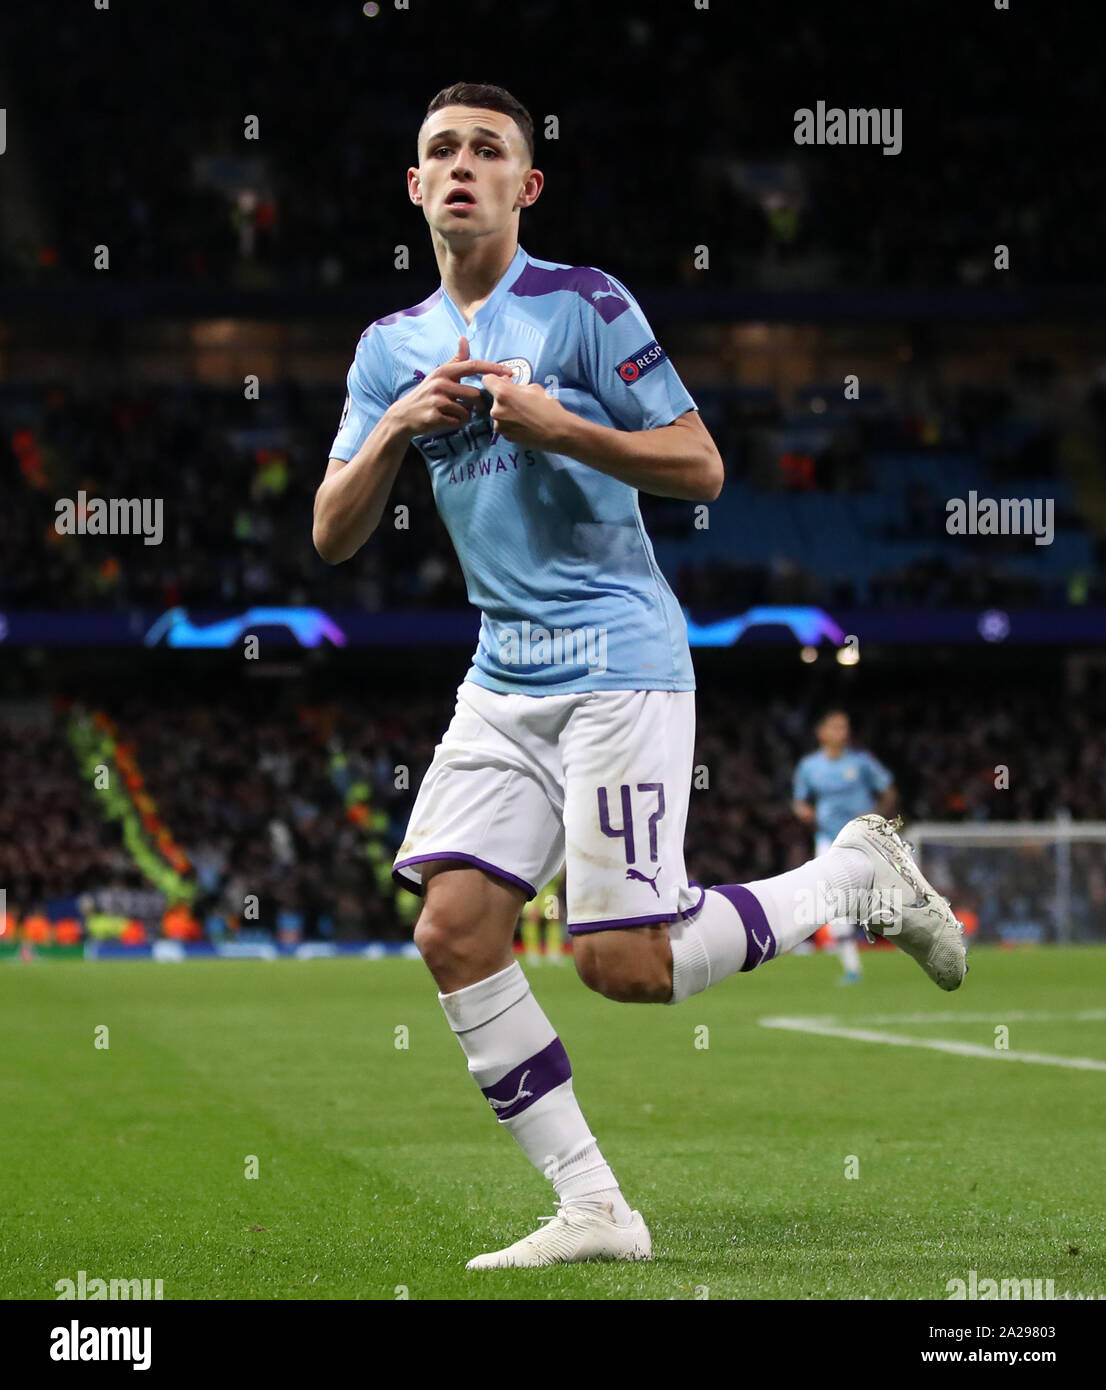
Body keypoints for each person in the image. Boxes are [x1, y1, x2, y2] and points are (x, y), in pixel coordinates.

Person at [313, 82, 966, 1271]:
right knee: (455, 931)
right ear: (414, 188)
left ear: (526, 185)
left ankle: (850, 876)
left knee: (623, 964)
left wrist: (561, 428)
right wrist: (400, 427)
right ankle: (594, 1208)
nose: (461, 166)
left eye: (487, 152)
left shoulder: (584, 306)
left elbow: (701, 466)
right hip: (501, 673)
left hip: (619, 657)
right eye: (440, 152)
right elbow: (330, 533)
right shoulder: (385, 351)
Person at [792, 709, 898, 982]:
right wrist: (804, 811)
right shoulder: (809, 766)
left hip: (865, 839)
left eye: (845, 727)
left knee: (894, 893)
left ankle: (942, 936)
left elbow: (888, 790)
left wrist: (878, 820)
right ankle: (852, 968)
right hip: (829, 841)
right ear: (822, 733)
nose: (843, 732)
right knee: (833, 903)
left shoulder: (861, 762)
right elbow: (800, 801)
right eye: (836, 727)